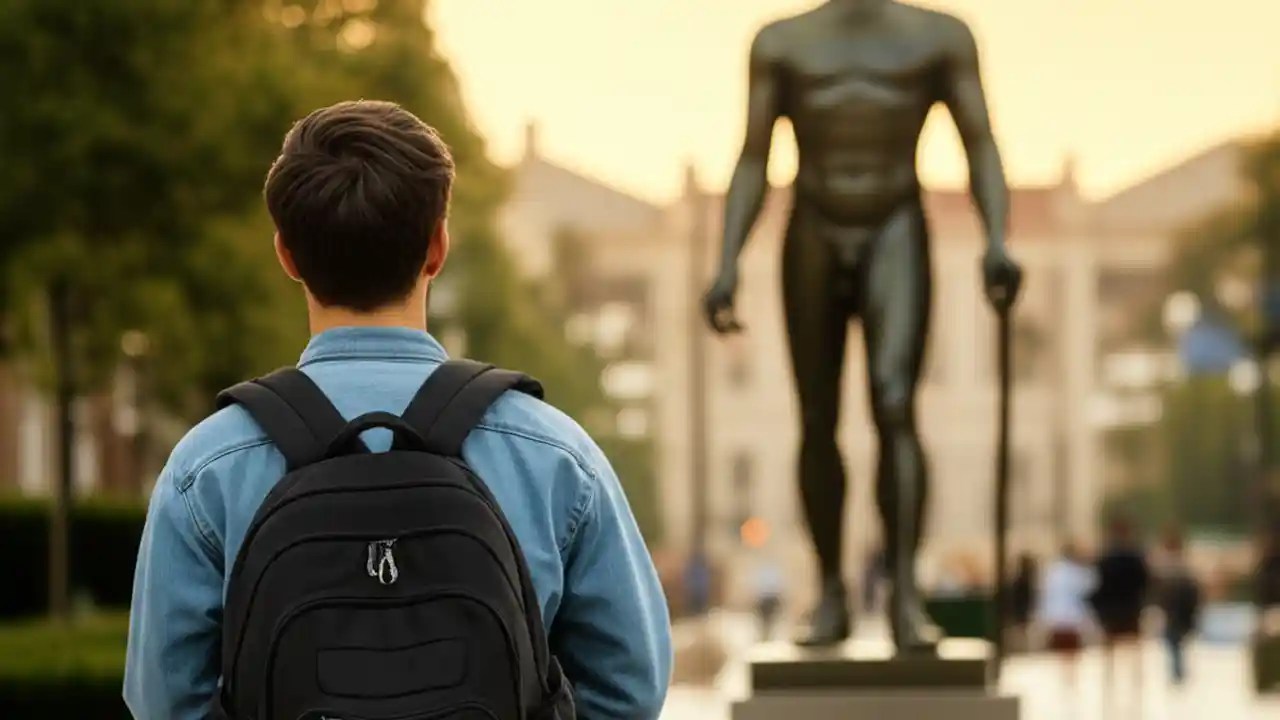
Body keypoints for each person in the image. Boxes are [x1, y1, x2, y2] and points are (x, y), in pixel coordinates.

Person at [123, 100, 672, 719]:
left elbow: (162, 700)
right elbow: (630, 687)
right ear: (437, 246)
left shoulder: (208, 467)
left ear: (287, 256)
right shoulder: (553, 453)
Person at [1091, 517, 1151, 708]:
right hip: (1131, 610)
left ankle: (1111, 689)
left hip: (1111, 612)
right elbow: (1145, 584)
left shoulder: (1106, 559)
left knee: (1110, 654)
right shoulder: (1135, 558)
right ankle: (1135, 690)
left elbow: (1099, 586)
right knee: (1134, 652)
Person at [1037, 543, 1096, 689]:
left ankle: (1066, 679)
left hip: (1060, 616)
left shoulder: (1053, 571)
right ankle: (1068, 679)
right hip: (1070, 617)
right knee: (1068, 652)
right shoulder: (1075, 572)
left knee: (1065, 651)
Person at [1156, 530, 1201, 686]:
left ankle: (1177, 672)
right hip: (1179, 609)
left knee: (1173, 641)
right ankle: (1178, 671)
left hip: (1176, 608)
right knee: (1175, 642)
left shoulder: (1169, 565)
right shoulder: (1183, 564)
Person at [1009, 554, 1039, 653]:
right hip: (1020, 614)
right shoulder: (1021, 582)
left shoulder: (1027, 581)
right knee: (1019, 637)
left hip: (1023, 614)